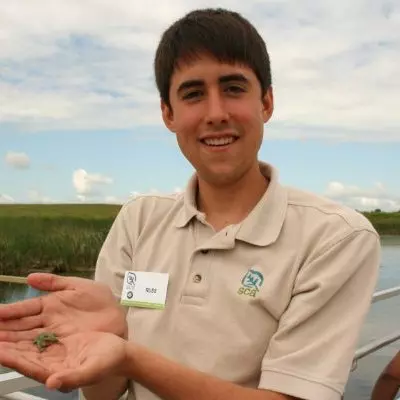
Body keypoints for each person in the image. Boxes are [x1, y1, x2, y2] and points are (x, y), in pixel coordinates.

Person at [0, 7, 381, 400]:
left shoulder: (336, 238)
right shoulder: (139, 219)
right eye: (193, 94)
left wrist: (130, 358)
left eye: (233, 88)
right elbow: (103, 394)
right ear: (168, 113)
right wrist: (105, 337)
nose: (216, 114)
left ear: (266, 102)